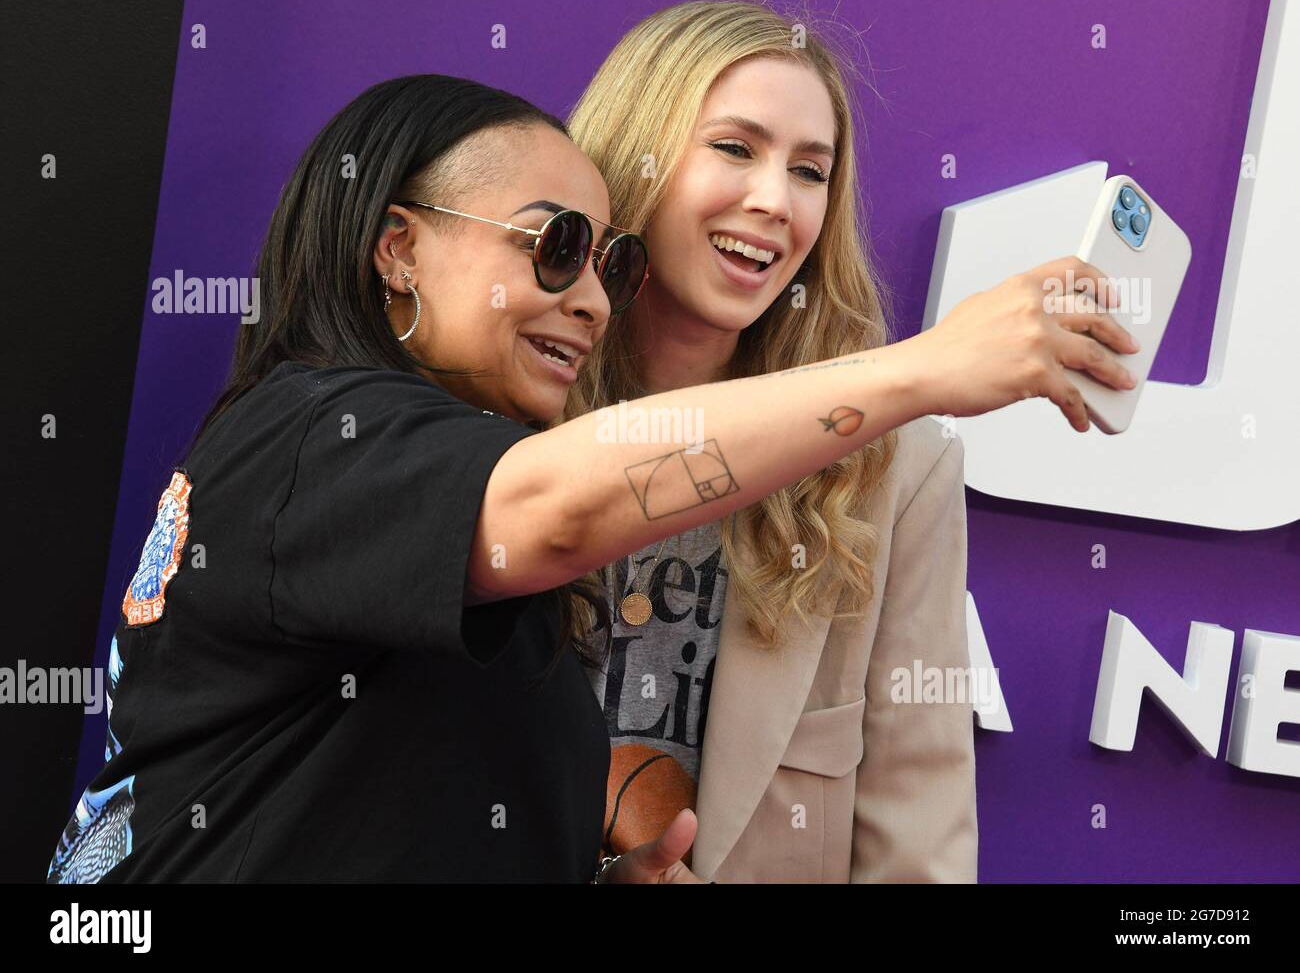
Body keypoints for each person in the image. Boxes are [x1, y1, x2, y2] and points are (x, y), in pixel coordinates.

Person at [48, 66, 1133, 883]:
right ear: (396, 250)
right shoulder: (322, 431)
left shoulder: (424, 480)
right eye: (553, 244)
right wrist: (924, 369)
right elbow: (558, 509)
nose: (593, 297)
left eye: (610, 262)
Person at [564, 0, 1141, 881]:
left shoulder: (894, 469)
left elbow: (919, 833)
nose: (773, 201)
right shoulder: (497, 402)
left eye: (810, 170)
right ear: (630, 152)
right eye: (733, 148)